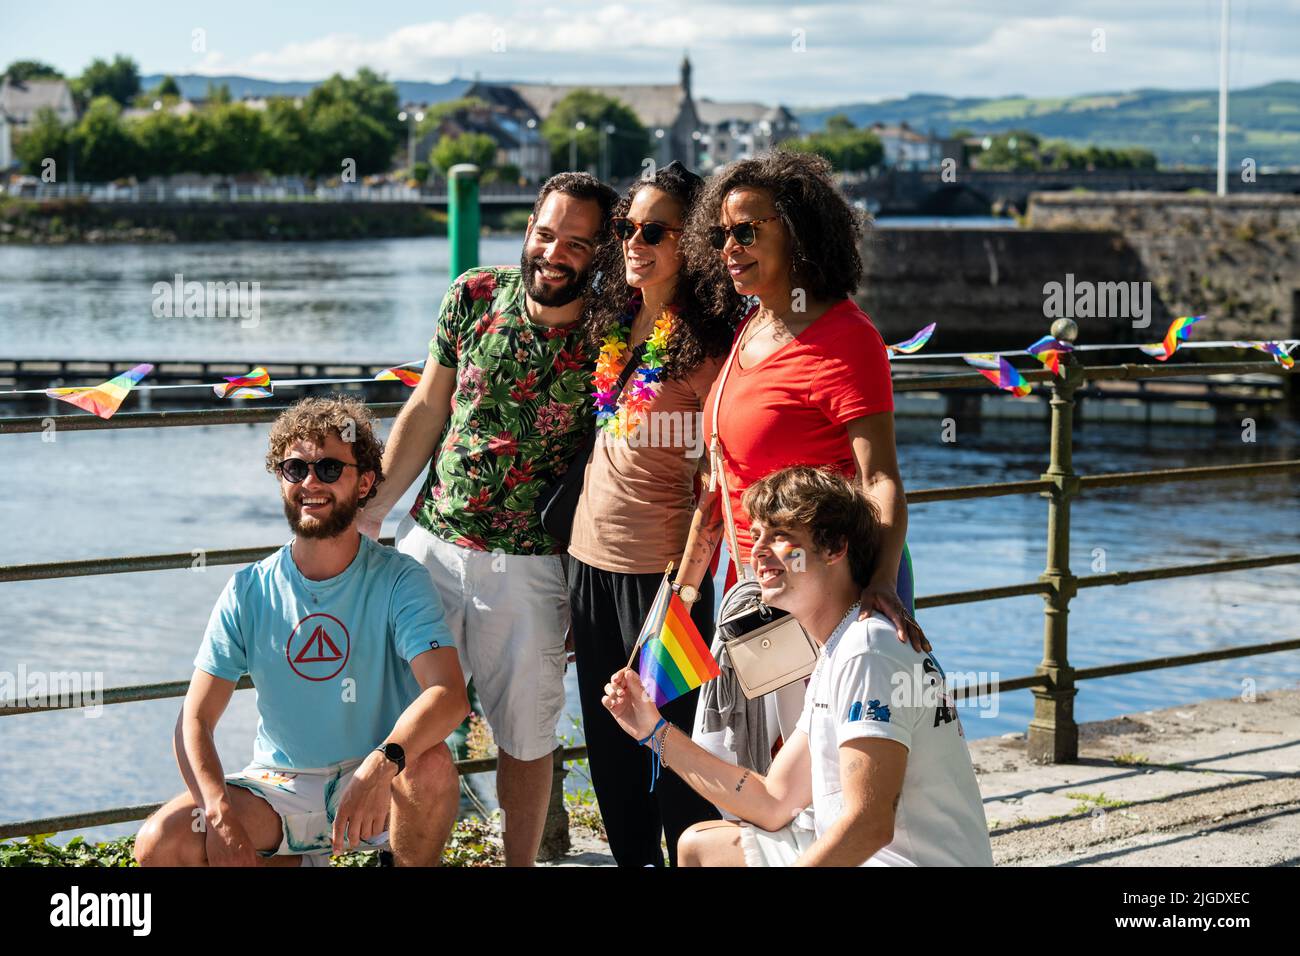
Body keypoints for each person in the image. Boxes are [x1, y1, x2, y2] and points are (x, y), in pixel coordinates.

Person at [358, 171, 619, 866]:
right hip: (431, 548)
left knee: (527, 739)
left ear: (602, 255)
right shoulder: (473, 294)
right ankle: (410, 859)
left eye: (576, 243)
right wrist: (373, 511)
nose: (553, 252)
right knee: (412, 723)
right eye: (545, 232)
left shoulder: (613, 334)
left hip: (534, 567)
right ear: (527, 227)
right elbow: (427, 408)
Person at [134, 397, 468, 867]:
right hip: (280, 788)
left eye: (330, 468)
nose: (311, 482)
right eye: (295, 468)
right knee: (162, 839)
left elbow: (449, 694)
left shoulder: (400, 579)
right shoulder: (248, 588)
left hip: (377, 780)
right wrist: (219, 810)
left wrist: (381, 762)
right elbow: (195, 720)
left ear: (365, 481)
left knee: (431, 765)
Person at [603, 466, 993, 867]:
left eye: (780, 535)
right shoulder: (841, 645)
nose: (757, 550)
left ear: (835, 548)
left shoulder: (867, 649)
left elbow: (871, 823)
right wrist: (654, 731)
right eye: (756, 535)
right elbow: (773, 800)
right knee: (700, 845)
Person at [673, 150, 928, 755]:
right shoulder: (753, 326)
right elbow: (723, 477)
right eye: (720, 235)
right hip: (757, 586)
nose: (728, 248)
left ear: (798, 232)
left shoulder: (846, 338)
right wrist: (685, 589)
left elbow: (881, 478)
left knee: (824, 764)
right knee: (770, 759)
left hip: (828, 588)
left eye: (746, 232)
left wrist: (882, 585)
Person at [566, 161, 742, 866]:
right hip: (589, 565)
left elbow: (716, 482)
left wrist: (689, 587)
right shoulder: (616, 319)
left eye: (654, 230)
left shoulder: (711, 347)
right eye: (625, 227)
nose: (634, 241)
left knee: (675, 757)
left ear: (692, 242)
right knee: (610, 750)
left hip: (663, 579)